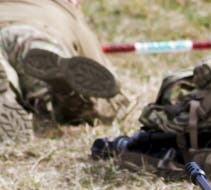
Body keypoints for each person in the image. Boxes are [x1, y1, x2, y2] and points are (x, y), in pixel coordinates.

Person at [0, 0, 122, 141]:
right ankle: (60, 95)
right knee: (35, 47)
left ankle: (9, 90)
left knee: (6, 71)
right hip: (44, 22)